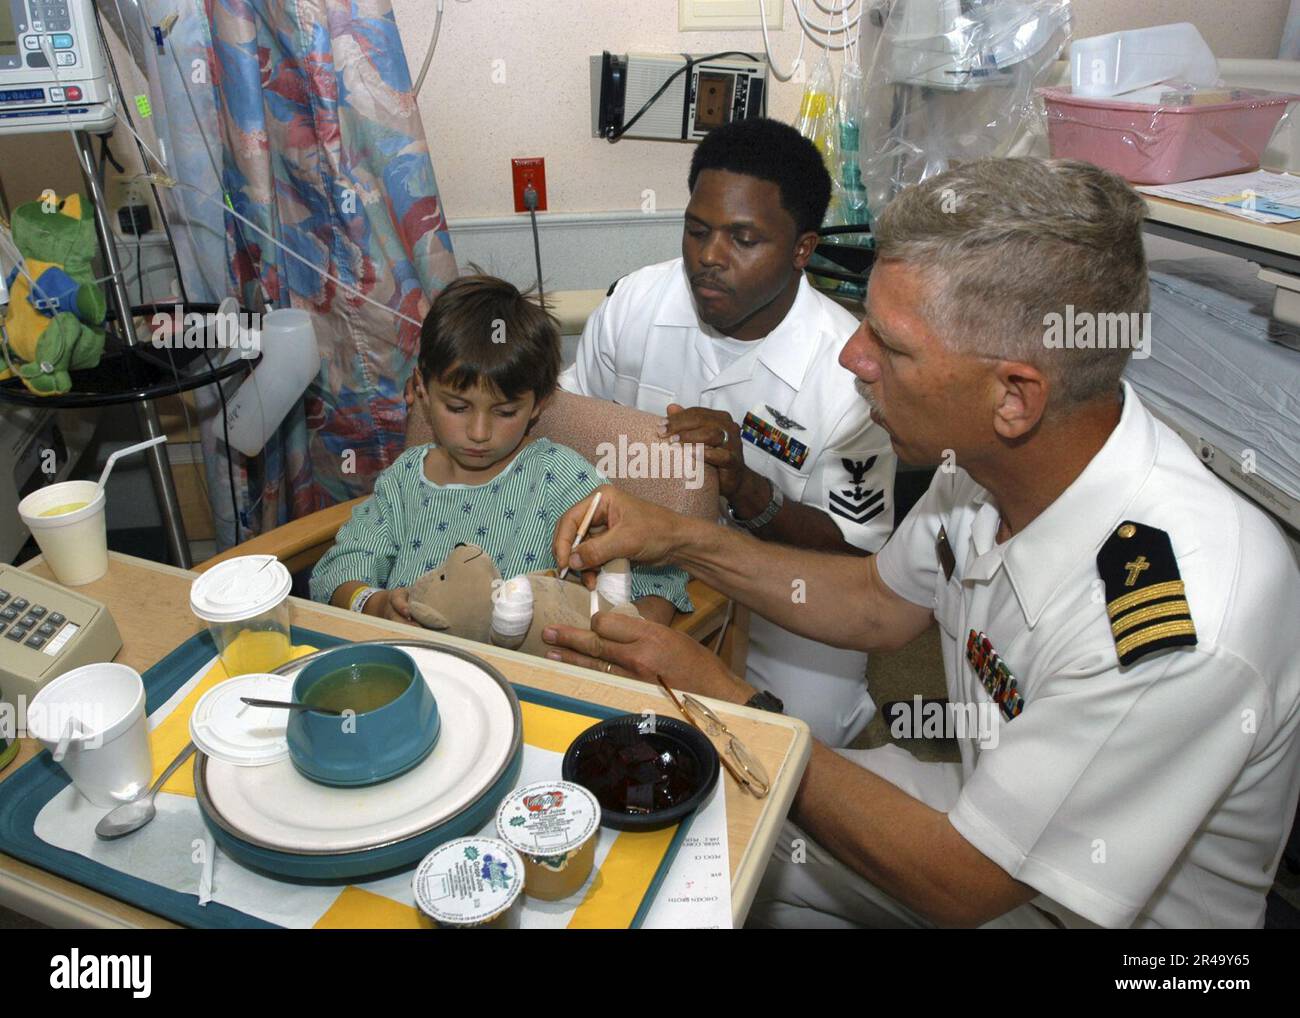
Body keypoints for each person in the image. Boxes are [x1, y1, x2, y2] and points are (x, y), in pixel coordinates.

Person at [541, 158, 1300, 928]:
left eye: (892, 347)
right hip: (987, 817)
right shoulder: (983, 465)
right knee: (703, 853)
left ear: (1014, 395)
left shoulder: (1179, 621)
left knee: (738, 812)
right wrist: (682, 539)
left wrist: (727, 703)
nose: (851, 357)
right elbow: (876, 604)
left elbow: (959, 887)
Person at [560, 116, 895, 747]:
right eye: (696, 230)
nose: (710, 258)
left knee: (794, 745)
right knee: (585, 705)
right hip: (640, 567)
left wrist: (746, 488)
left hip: (788, 602)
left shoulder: (850, 373)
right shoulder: (637, 304)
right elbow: (565, 418)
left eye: (743, 239)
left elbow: (857, 558)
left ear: (801, 249)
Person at [308, 275, 691, 628]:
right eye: (457, 408)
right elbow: (341, 568)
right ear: (421, 387)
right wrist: (376, 605)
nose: (479, 433)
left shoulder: (559, 478)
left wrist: (617, 649)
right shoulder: (405, 479)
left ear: (539, 403)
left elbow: (652, 575)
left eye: (505, 412)